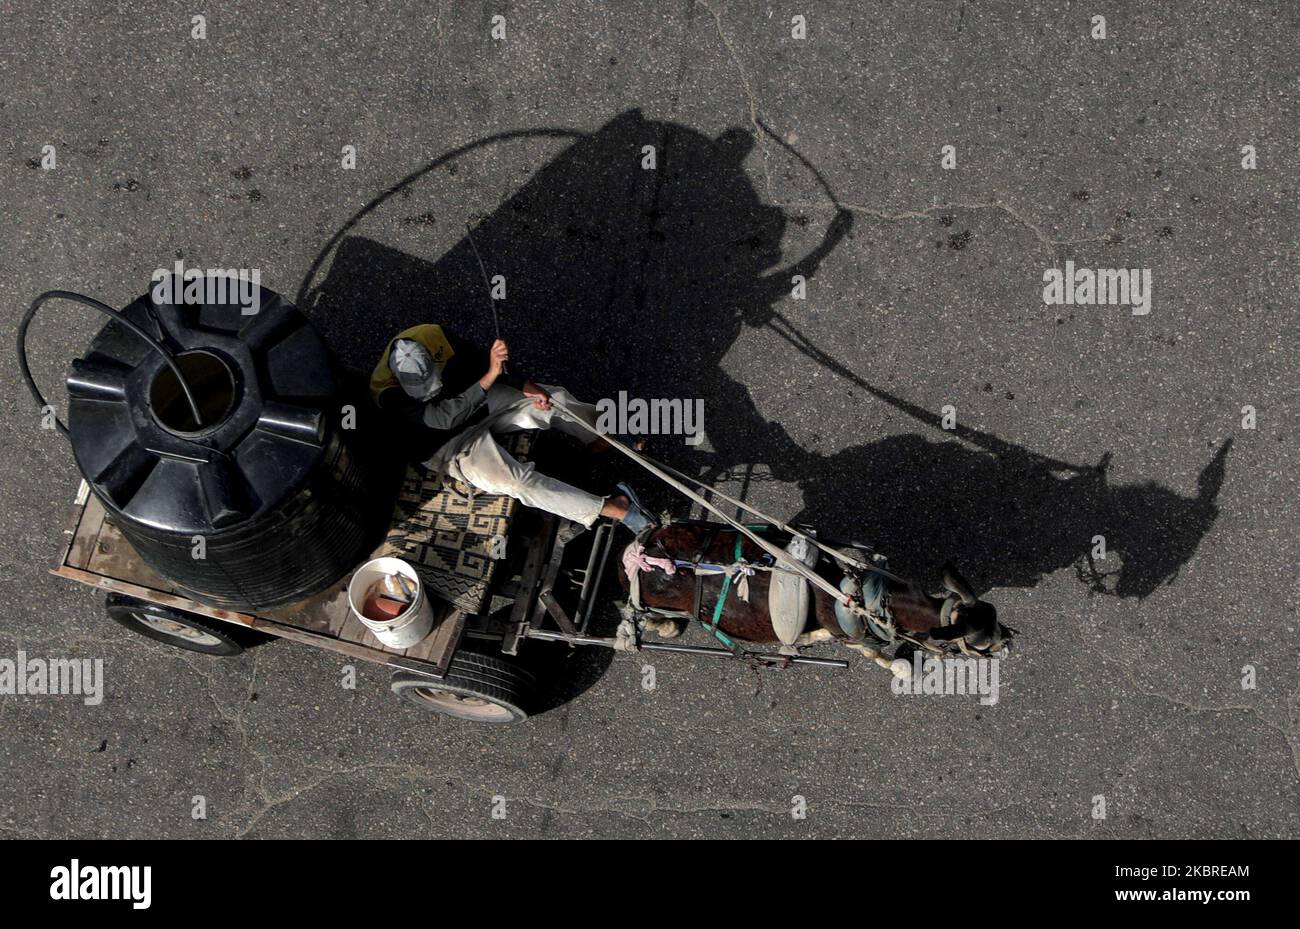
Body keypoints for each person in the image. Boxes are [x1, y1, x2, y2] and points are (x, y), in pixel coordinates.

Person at [370, 324, 654, 534]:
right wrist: (492, 374)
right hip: (447, 442)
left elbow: (479, 359)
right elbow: (444, 419)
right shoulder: (385, 392)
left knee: (556, 401)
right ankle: (617, 507)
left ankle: (602, 436)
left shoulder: (430, 335)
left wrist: (525, 387)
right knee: (518, 483)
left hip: (476, 401)